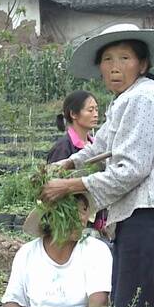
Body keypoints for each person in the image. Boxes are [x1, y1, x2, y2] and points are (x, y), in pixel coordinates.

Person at [40, 23, 154, 307]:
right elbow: (103, 142)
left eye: (124, 58)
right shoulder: (129, 99)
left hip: (150, 215)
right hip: (142, 217)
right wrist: (69, 161)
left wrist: (68, 186)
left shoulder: (143, 99)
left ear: (143, 64)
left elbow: (131, 169)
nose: (115, 67)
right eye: (108, 59)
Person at [47, 91, 110, 237]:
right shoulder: (63, 147)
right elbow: (54, 188)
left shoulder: (96, 147)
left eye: (96, 109)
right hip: (72, 226)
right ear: (74, 114)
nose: (95, 114)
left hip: (97, 222)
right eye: (90, 110)